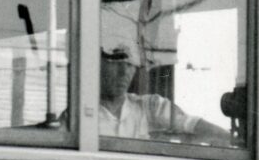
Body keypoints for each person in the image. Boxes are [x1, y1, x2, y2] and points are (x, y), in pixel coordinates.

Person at [98, 44, 231, 143]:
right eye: (115, 62)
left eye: (130, 65)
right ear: (100, 65)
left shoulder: (150, 106)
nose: (124, 72)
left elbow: (211, 131)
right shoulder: (82, 113)